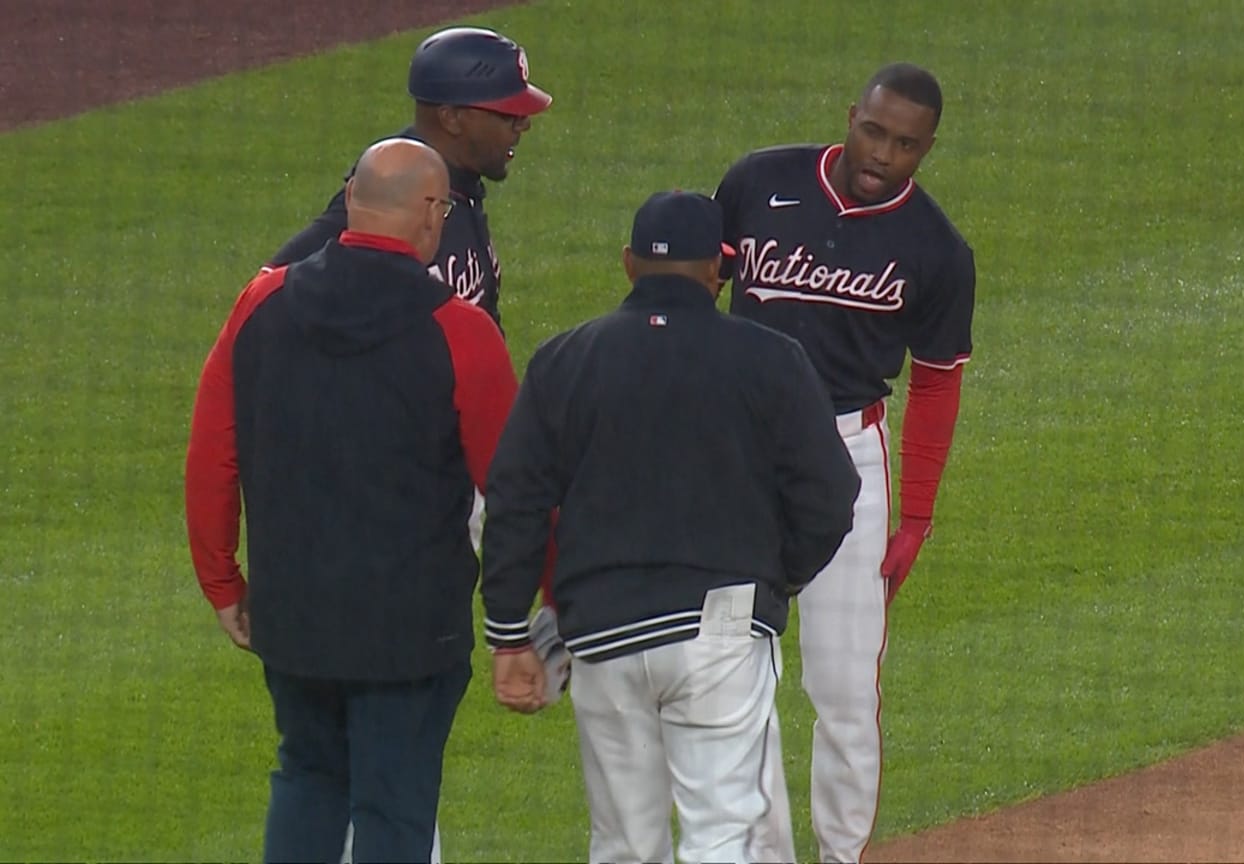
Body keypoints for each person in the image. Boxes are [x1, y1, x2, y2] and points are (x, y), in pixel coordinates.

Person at [479, 190, 861, 863]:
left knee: (625, 845)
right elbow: (831, 495)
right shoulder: (770, 358)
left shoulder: (566, 360)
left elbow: (515, 499)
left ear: (627, 263)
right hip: (720, 629)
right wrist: (779, 576)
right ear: (720, 269)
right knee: (722, 834)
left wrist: (509, 632)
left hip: (601, 632)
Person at [185, 137, 517, 862]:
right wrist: (525, 617)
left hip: (294, 614)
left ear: (352, 202)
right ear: (432, 213)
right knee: (394, 807)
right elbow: (514, 490)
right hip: (411, 628)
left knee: (306, 778)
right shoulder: (462, 330)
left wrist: (223, 580)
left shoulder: (262, 299)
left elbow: (213, 452)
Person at [712, 62, 976, 861]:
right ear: (850, 115)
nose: (883, 154)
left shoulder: (936, 249)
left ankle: (841, 855)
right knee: (730, 677)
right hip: (739, 452)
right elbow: (688, 297)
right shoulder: (760, 181)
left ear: (927, 149)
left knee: (845, 690)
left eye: (905, 144)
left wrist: (918, 515)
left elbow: (935, 387)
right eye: (874, 130)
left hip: (849, 458)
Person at [265, 25, 553, 331]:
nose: (523, 125)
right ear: (452, 118)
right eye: (508, 115)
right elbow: (267, 288)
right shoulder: (389, 197)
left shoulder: (463, 185)